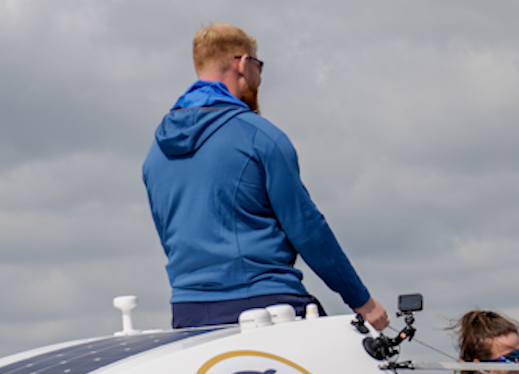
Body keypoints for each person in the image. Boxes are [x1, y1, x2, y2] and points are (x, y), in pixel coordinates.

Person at [142, 23, 389, 330]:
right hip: (267, 305)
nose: (260, 77)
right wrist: (362, 301)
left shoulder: (156, 153)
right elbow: (308, 229)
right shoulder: (261, 137)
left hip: (188, 314)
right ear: (243, 63)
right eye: (258, 66)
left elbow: (170, 236)